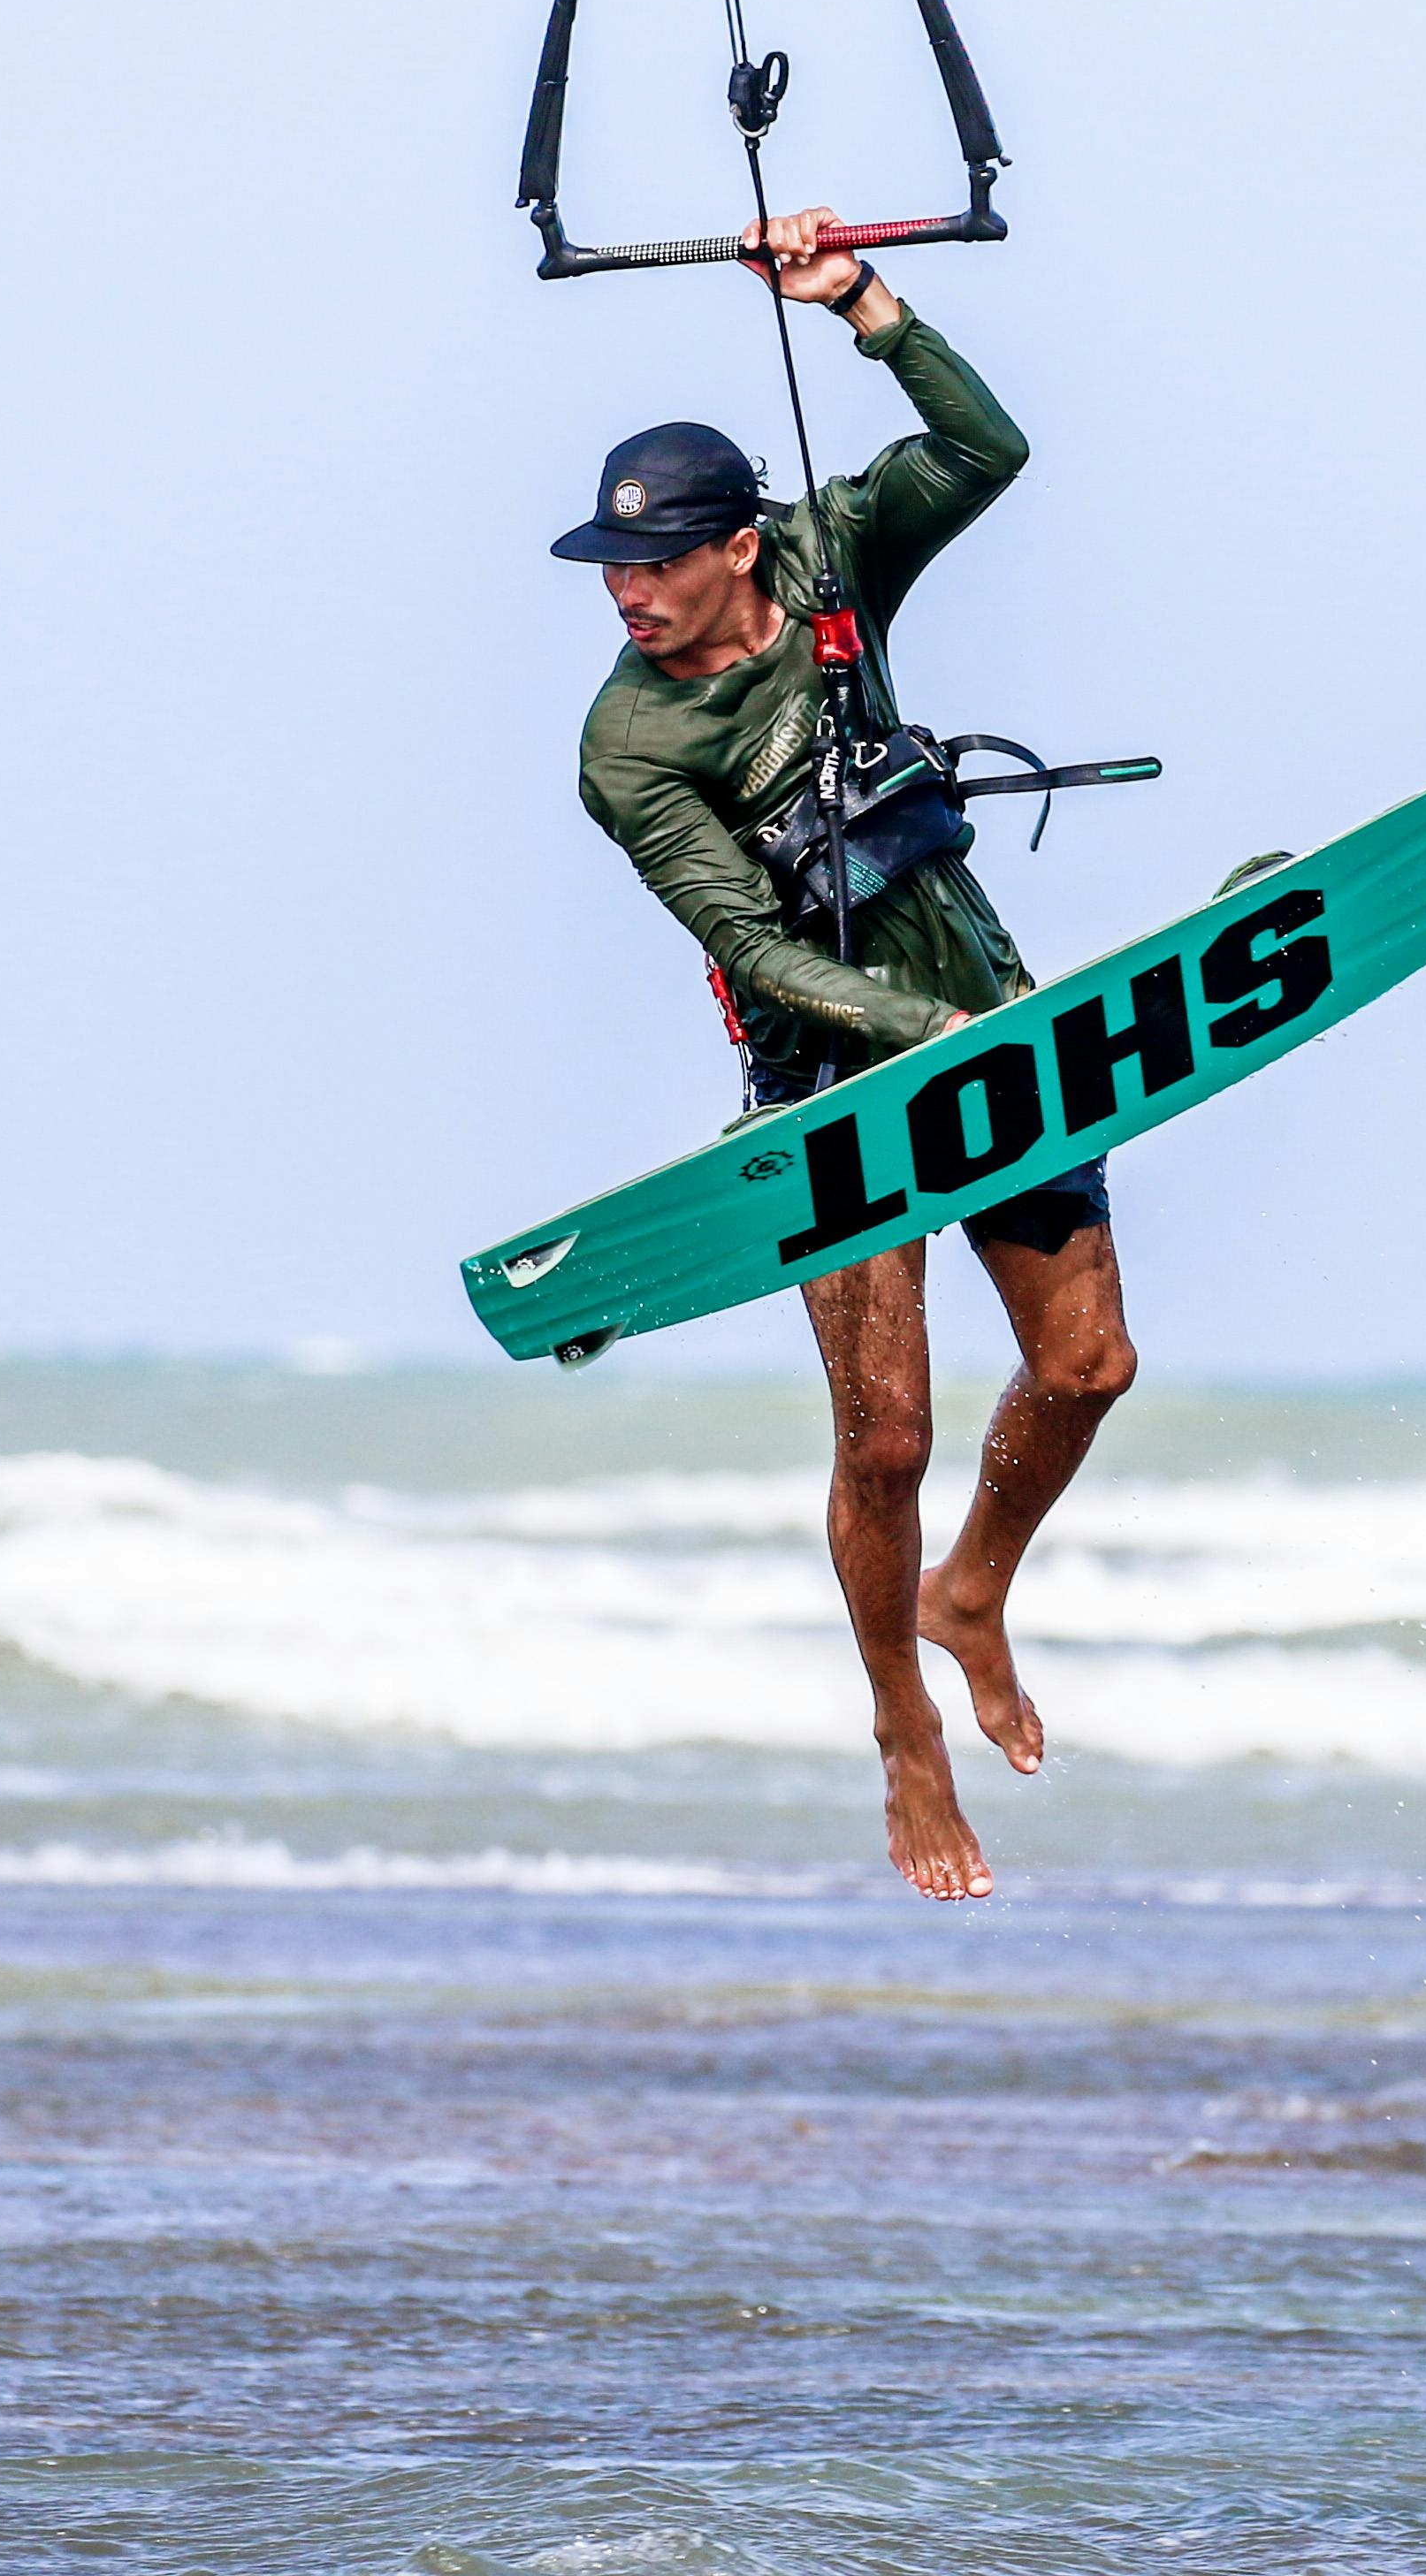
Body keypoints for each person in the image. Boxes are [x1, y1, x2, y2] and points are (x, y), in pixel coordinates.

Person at [556, 207, 1134, 1902]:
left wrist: (861, 302)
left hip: (983, 995)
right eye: (610, 567)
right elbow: (748, 943)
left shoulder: (829, 557)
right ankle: (903, 1732)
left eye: (654, 563)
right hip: (827, 1082)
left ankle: (975, 1592)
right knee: (882, 1435)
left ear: (740, 545)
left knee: (1089, 1367)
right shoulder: (627, 742)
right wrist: (921, 1040)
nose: (627, 592)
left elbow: (987, 445)